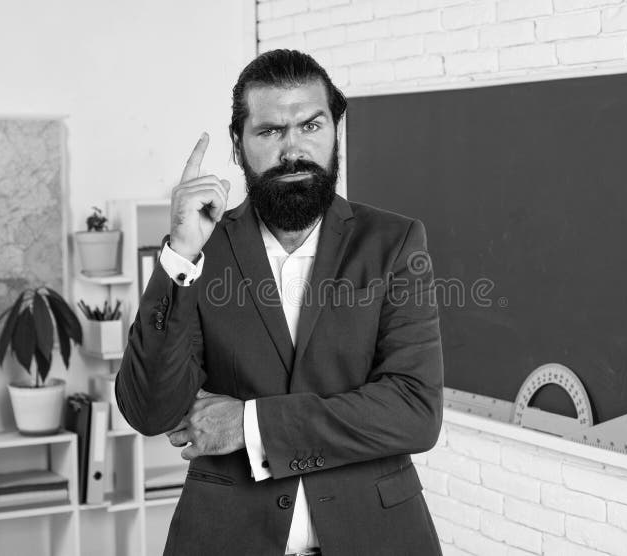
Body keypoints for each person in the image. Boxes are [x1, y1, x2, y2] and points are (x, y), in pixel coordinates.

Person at [115, 49, 444, 556]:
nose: (294, 150)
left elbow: (414, 411)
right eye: (269, 131)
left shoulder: (393, 243)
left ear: (337, 132)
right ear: (237, 144)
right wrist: (180, 255)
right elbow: (149, 411)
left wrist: (249, 426)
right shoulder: (203, 250)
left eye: (311, 125)